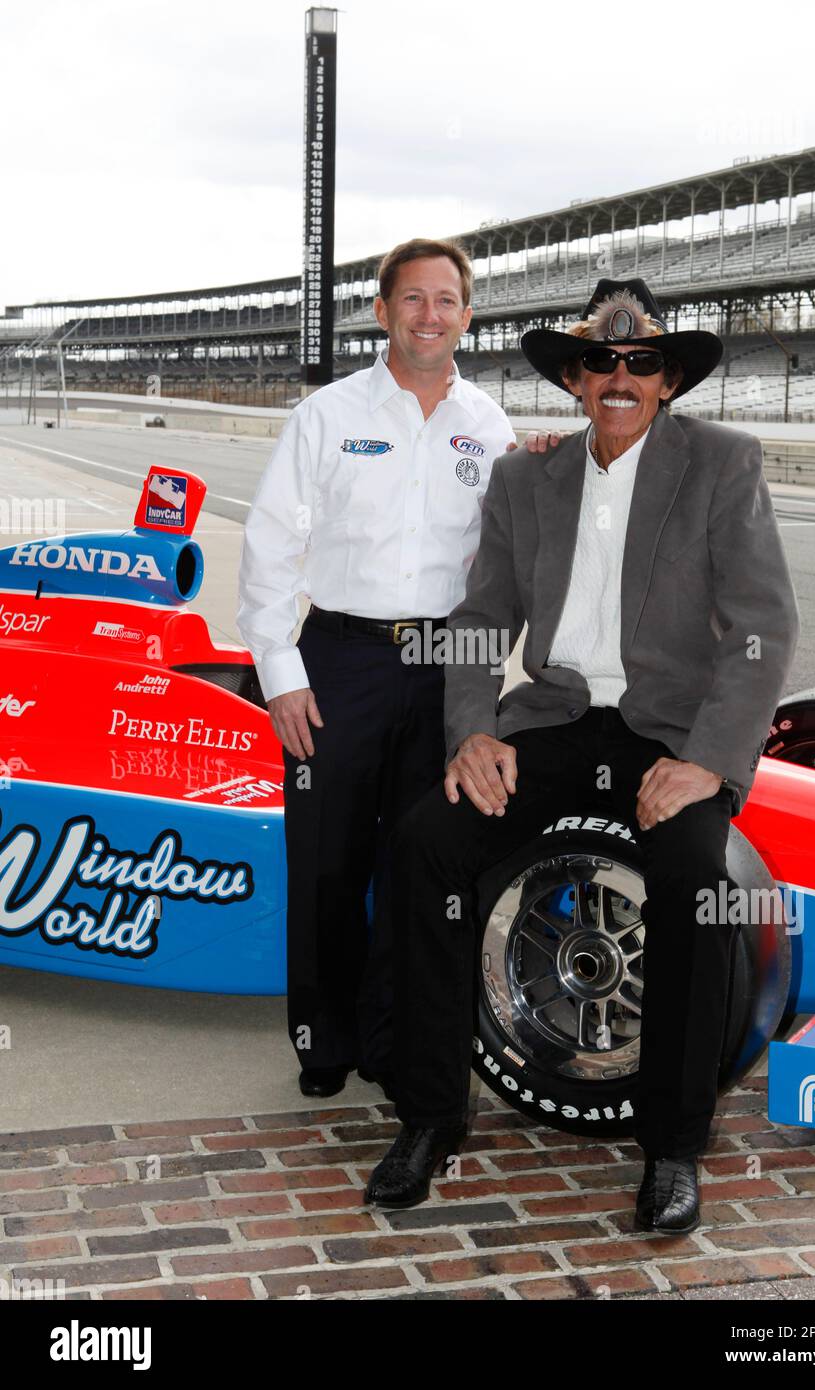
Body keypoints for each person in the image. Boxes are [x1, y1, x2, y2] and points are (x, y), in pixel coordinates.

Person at [365, 277, 800, 1232]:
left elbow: (763, 626)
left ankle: (676, 1147)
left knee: (692, 877)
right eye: (601, 360)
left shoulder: (725, 464)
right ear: (574, 377)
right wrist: (472, 730)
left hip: (670, 735)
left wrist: (714, 762)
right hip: (556, 721)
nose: (620, 376)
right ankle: (433, 1116)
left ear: (668, 381)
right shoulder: (527, 477)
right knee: (428, 842)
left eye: (642, 361)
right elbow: (480, 620)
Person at [236, 238, 555, 1102]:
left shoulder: (487, 426)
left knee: (417, 862)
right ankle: (322, 1041)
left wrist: (551, 459)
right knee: (328, 861)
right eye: (412, 299)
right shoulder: (328, 415)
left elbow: (514, 542)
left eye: (445, 300)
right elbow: (269, 546)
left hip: (446, 663)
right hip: (338, 656)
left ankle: (390, 1037)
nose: (429, 315)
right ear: (382, 312)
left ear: (467, 315)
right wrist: (281, 672)